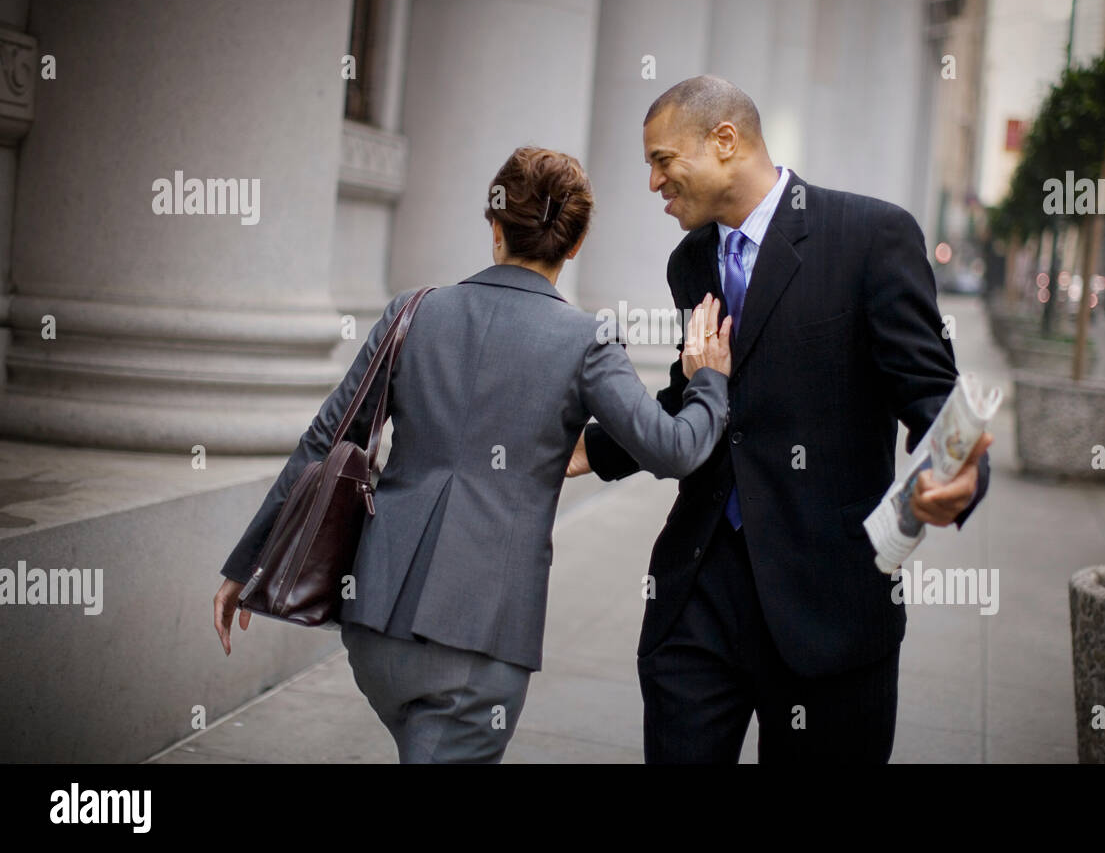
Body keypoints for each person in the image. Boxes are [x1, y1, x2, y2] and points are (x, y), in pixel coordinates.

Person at [213, 146, 732, 763]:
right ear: (575, 244)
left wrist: (249, 564)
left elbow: (326, 439)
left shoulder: (413, 311)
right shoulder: (586, 340)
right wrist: (708, 382)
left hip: (373, 621)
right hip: (477, 643)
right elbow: (676, 450)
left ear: (494, 227)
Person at [567, 76, 994, 763]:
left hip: (829, 610)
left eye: (662, 159)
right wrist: (590, 450)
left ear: (725, 141)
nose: (652, 182)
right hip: (699, 595)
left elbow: (933, 395)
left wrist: (964, 475)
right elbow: (705, 393)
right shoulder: (693, 261)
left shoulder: (871, 237)